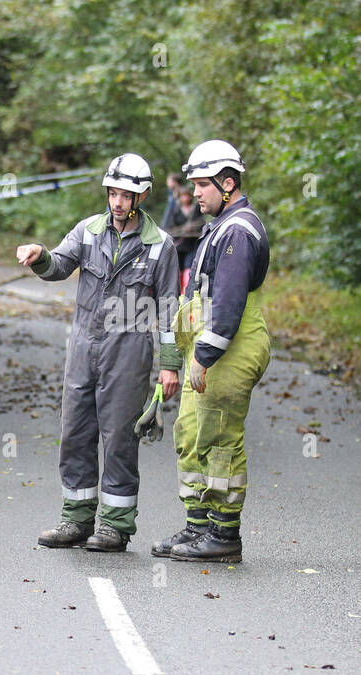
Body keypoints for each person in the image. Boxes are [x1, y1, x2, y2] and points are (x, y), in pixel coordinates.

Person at [17, 153, 180, 552]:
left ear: (141, 197)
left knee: (120, 437)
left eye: (126, 195)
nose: (118, 202)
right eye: (113, 193)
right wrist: (40, 256)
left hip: (129, 351)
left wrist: (170, 365)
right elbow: (59, 265)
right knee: (75, 431)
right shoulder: (87, 231)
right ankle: (75, 518)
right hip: (84, 347)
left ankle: (115, 526)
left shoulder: (160, 247)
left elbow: (169, 310)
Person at [152, 140, 270, 564]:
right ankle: (197, 526)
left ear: (227, 181)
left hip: (227, 348)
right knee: (189, 433)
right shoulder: (222, 225)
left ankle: (223, 535)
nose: (195, 193)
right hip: (206, 349)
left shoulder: (238, 230)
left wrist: (204, 355)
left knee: (219, 436)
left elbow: (229, 302)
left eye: (202, 185)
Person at [165, 184, 204, 285]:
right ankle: (177, 289)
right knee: (178, 267)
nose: (185, 198)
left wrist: (192, 228)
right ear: (180, 197)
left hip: (192, 244)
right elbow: (170, 227)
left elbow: (201, 223)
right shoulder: (176, 210)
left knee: (189, 265)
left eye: (187, 195)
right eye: (183, 196)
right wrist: (182, 230)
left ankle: (186, 289)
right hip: (178, 244)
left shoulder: (196, 208)